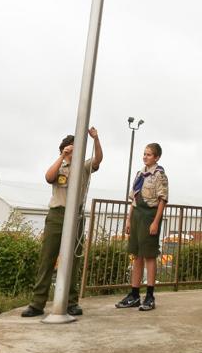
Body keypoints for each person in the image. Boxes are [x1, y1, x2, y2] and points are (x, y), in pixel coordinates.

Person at [22, 126, 103, 318]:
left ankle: (71, 302)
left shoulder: (83, 166)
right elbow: (49, 177)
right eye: (70, 148)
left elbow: (98, 159)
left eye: (75, 148)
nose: (73, 150)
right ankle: (37, 303)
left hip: (76, 215)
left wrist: (96, 139)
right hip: (57, 214)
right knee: (47, 259)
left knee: (73, 261)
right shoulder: (59, 166)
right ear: (63, 148)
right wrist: (62, 156)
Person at [114, 142, 168, 311]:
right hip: (137, 215)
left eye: (149, 154)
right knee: (136, 255)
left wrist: (155, 222)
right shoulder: (140, 174)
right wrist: (129, 220)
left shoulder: (159, 175)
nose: (145, 157)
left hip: (149, 216)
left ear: (157, 157)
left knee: (149, 256)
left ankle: (150, 295)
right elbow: (134, 200)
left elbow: (162, 200)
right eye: (144, 154)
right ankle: (134, 294)